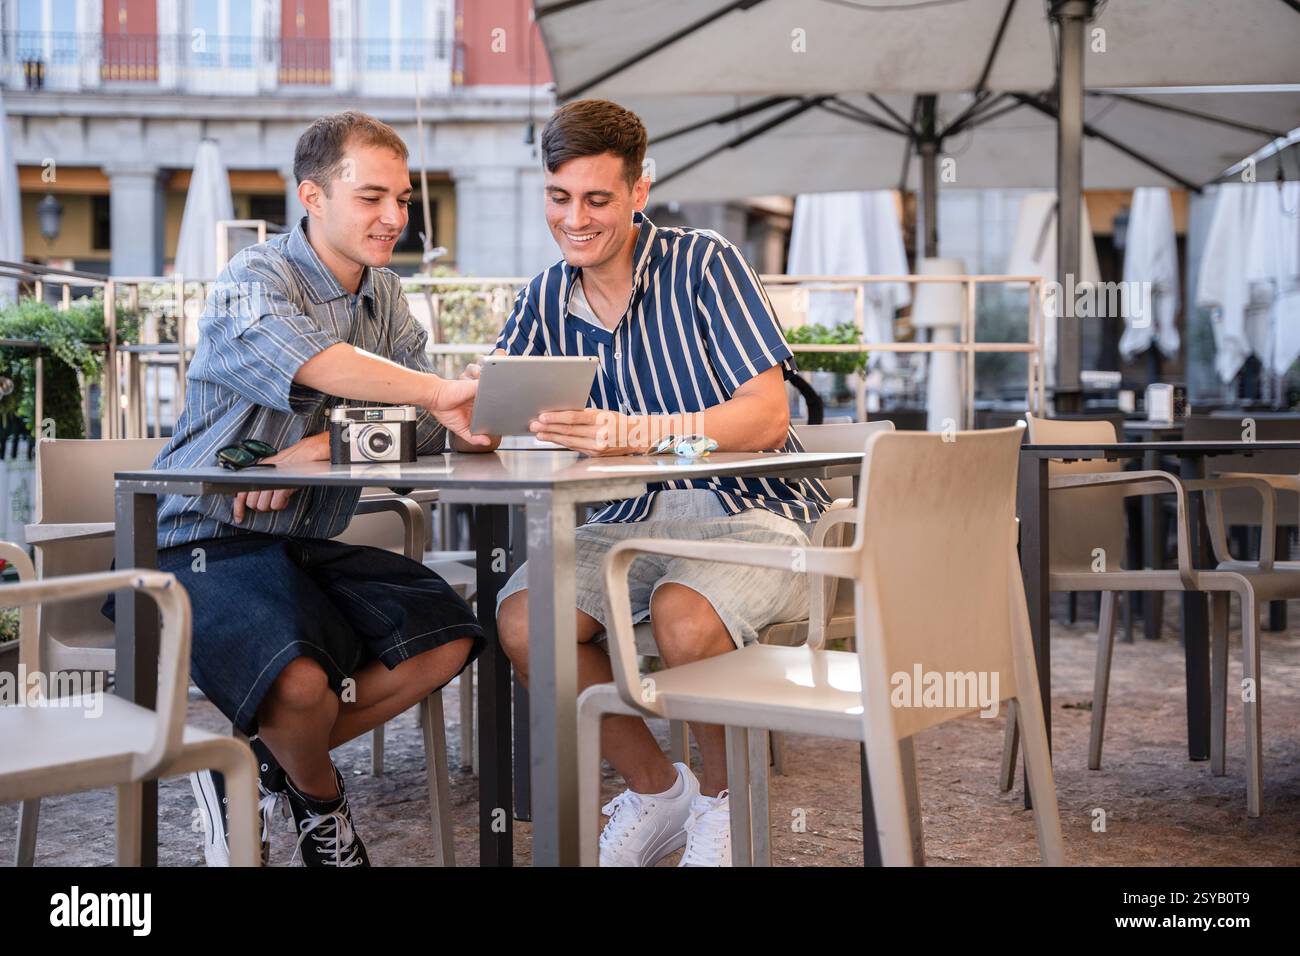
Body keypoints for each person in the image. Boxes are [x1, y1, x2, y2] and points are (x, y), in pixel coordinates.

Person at [105, 110, 492, 867]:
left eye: (404, 200)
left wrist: (317, 448)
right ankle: (322, 803)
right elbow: (317, 363)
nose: (394, 218)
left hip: (301, 545)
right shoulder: (252, 280)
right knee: (303, 683)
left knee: (449, 636)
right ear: (312, 196)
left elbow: (429, 432)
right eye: (372, 197)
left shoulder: (388, 297)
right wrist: (432, 392)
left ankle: (246, 765)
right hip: (192, 542)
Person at [471, 99, 832, 867]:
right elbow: (487, 415)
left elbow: (765, 418)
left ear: (639, 192)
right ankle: (658, 791)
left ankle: (724, 806)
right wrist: (460, 405)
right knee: (524, 620)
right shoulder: (542, 298)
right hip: (629, 522)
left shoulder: (705, 263)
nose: (576, 220)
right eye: (558, 197)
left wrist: (632, 431)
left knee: (683, 614)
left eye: (598, 199)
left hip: (755, 514)